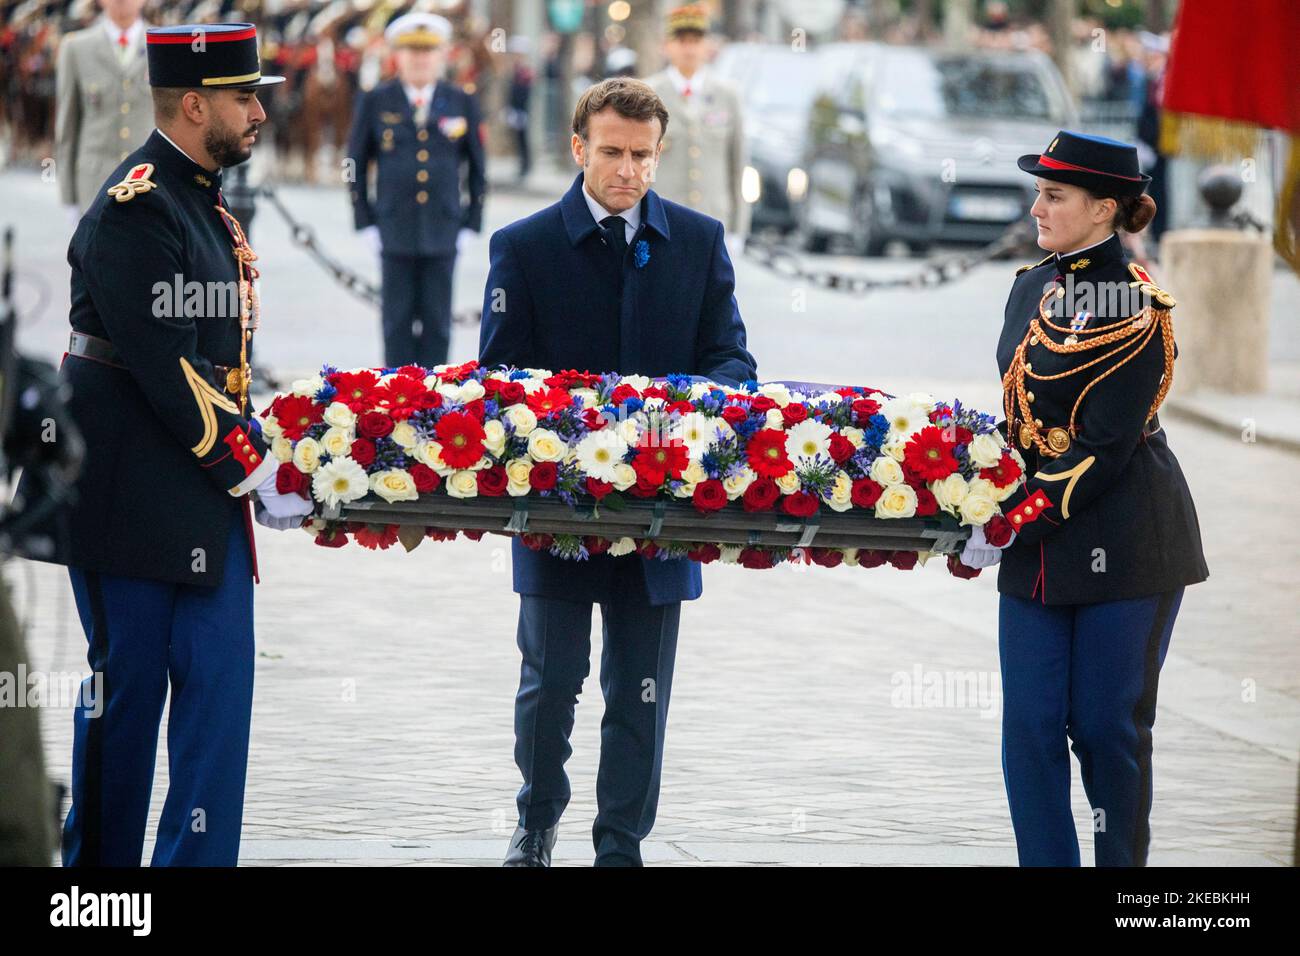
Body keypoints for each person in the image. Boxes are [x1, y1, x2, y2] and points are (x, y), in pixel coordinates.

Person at [16, 21, 312, 866]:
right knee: (128, 700)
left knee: (219, 696)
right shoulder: (138, 206)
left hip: (202, 489)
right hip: (127, 496)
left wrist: (271, 447)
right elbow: (163, 363)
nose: (259, 112)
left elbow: (221, 360)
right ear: (192, 104)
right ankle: (101, 887)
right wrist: (250, 462)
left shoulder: (203, 196)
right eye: (244, 98)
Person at [479, 77, 756, 866]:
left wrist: (705, 398)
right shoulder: (525, 246)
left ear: (659, 154)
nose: (627, 170)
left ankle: (619, 843)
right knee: (550, 683)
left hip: (663, 511)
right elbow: (498, 377)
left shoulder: (698, 241)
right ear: (578, 149)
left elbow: (732, 354)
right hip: (557, 508)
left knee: (640, 690)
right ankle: (536, 823)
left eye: (642, 155)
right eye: (611, 152)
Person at [959, 130, 1209, 866]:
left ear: (1106, 208)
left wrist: (1010, 522)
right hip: (1038, 550)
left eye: (1054, 195)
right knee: (1031, 731)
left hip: (1128, 540)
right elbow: (1018, 418)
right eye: (1039, 192)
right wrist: (963, 489)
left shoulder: (1137, 305)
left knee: (1108, 733)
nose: (1037, 207)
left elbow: (1100, 451)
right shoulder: (1030, 285)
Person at [346, 12, 485, 369]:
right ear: (398, 56)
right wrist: (365, 220)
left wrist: (471, 221)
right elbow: (355, 164)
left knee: (438, 323)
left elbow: (477, 167)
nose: (420, 59)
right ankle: (397, 395)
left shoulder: (460, 100)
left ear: (442, 56)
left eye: (428, 52)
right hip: (394, 228)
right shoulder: (378, 100)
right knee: (396, 322)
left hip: (443, 228)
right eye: (412, 52)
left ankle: (433, 398)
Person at [644, 4, 750, 242]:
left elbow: (737, 166)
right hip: (662, 223)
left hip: (712, 222)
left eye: (696, 40)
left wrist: (737, 229)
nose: (689, 48)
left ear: (707, 46)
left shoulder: (728, 96)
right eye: (682, 40)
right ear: (666, 46)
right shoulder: (648, 94)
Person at [55, 0, 154, 220]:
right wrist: (69, 197)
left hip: (150, 183)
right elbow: (68, 126)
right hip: (94, 185)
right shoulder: (76, 47)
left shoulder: (162, 45)